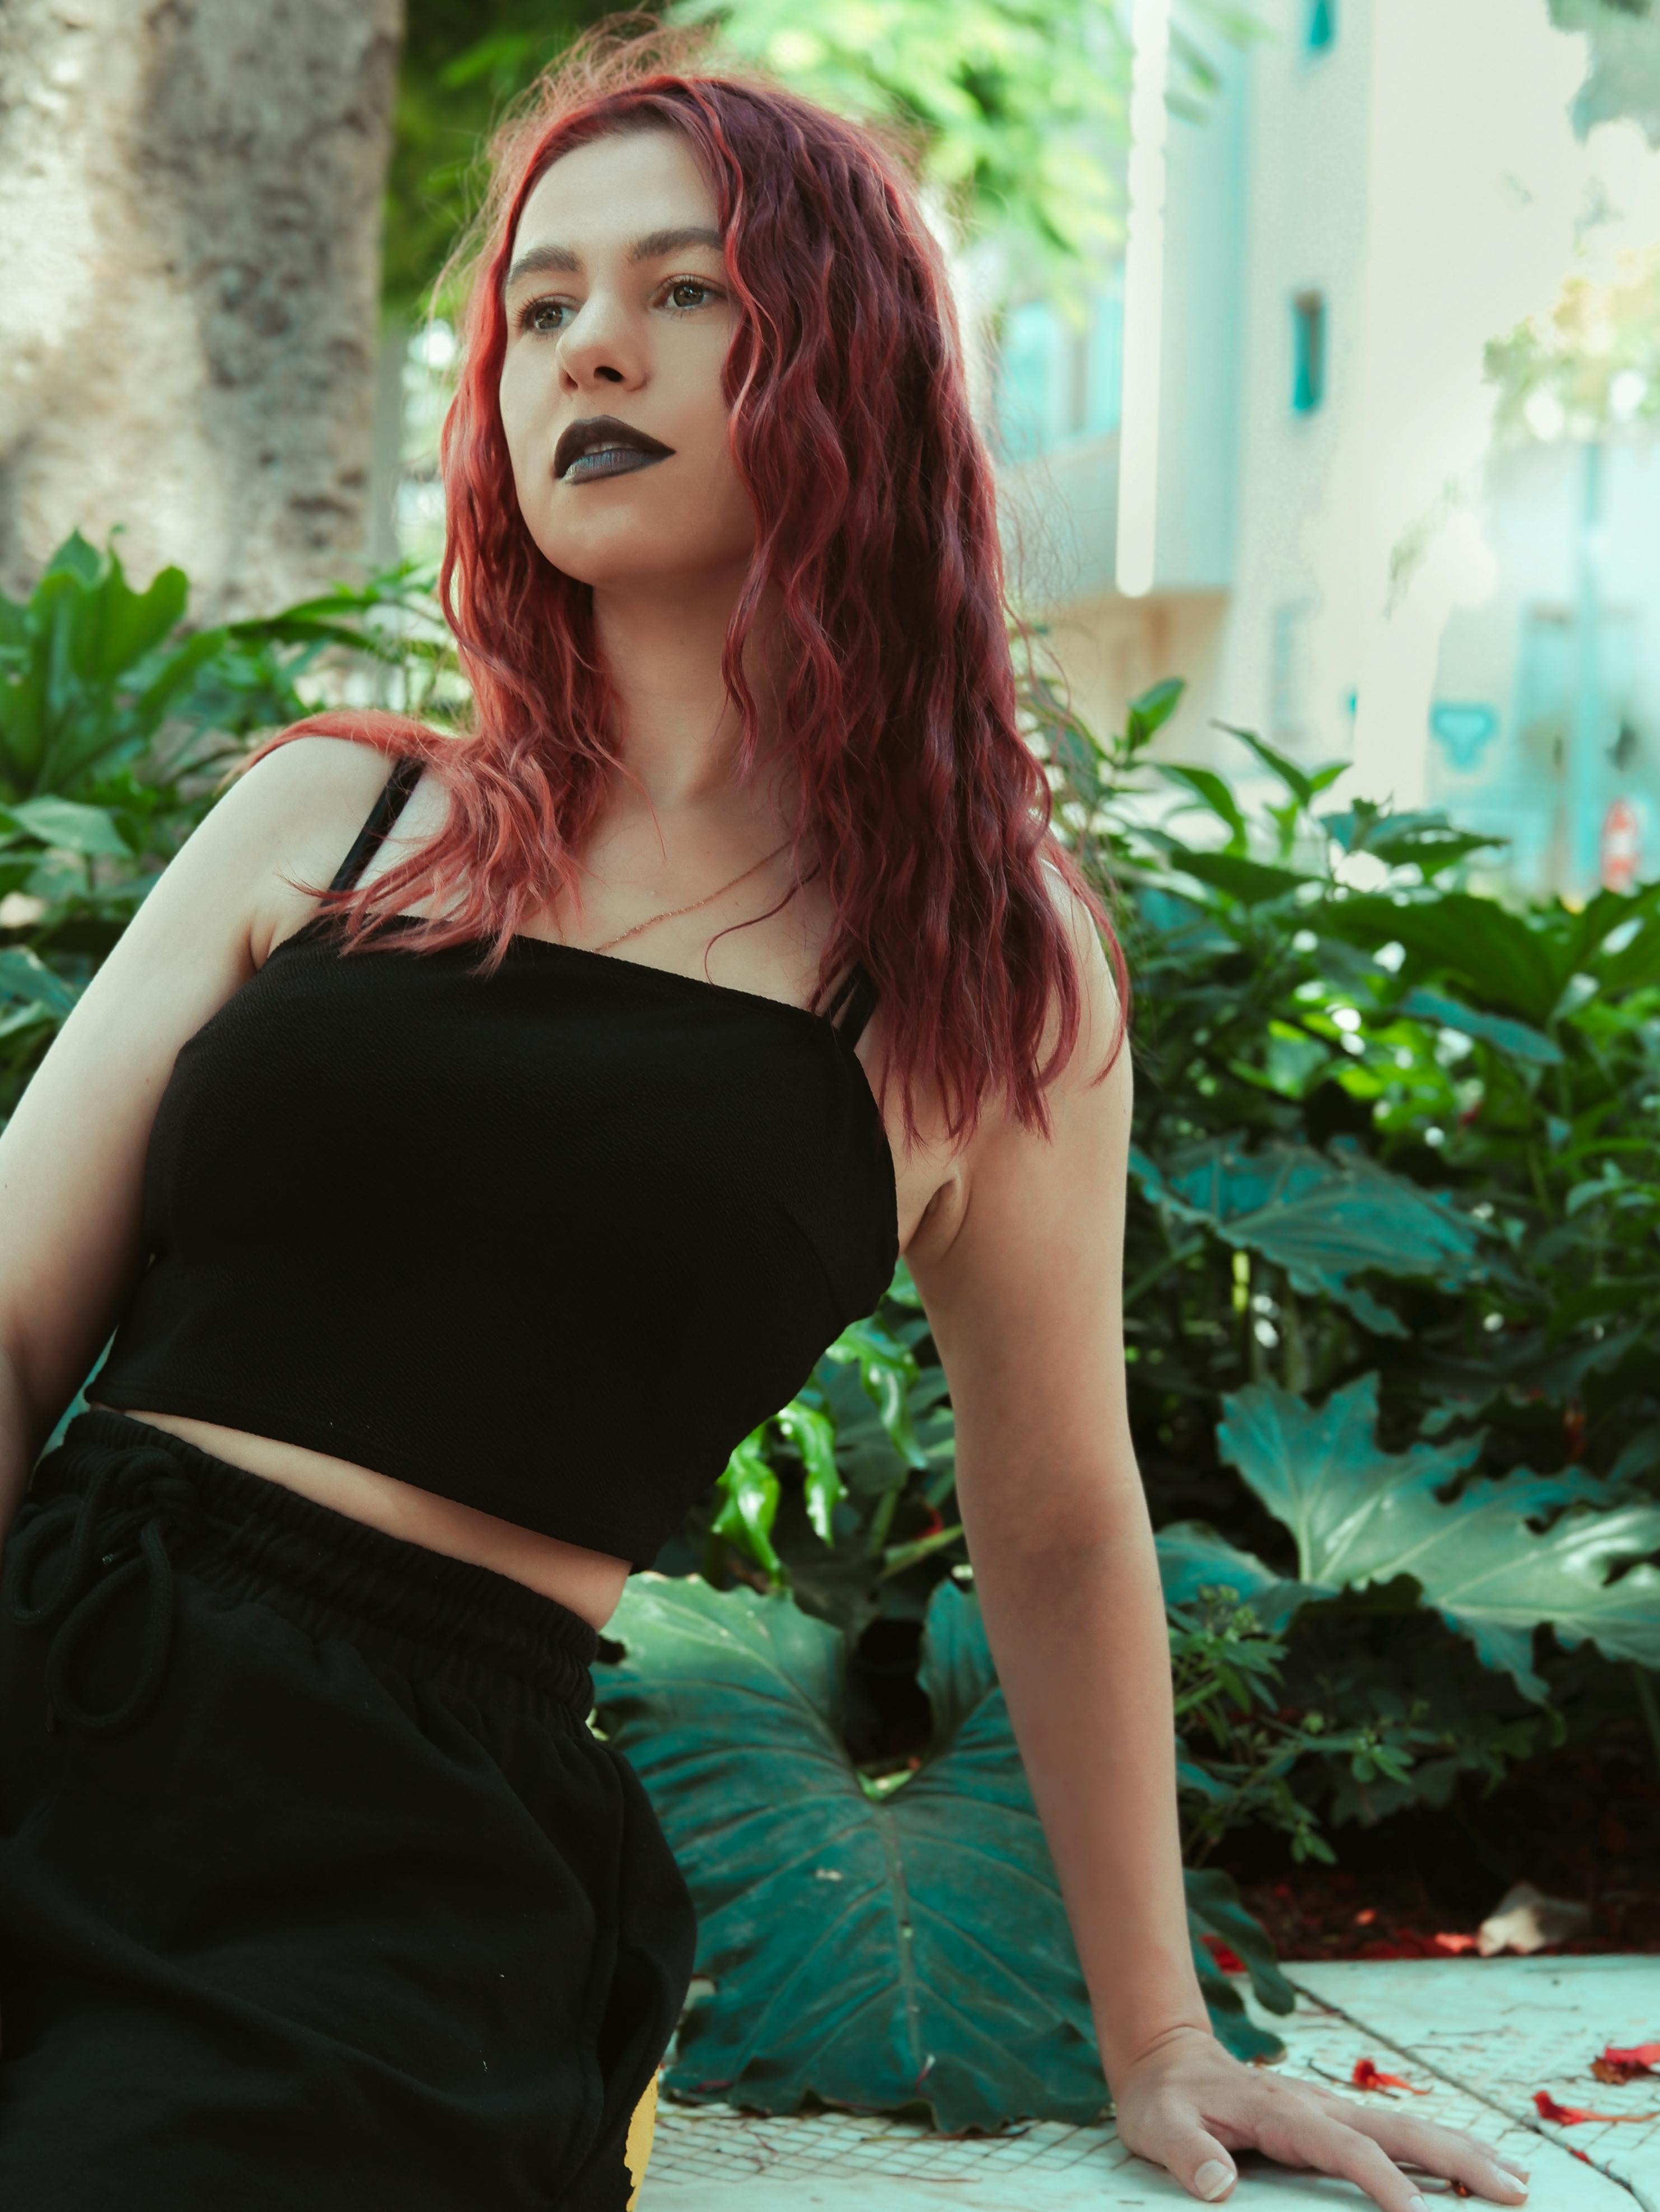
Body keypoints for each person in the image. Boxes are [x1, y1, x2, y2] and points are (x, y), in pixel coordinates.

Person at [0, 23, 1533, 2212]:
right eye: (540, 307)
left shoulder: (969, 972)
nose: (585, 349)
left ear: (847, 368)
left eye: (681, 290)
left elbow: (1064, 1516)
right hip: (55, 1656)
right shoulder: (337, 812)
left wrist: (1162, 2033)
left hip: (387, 1849)